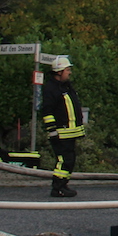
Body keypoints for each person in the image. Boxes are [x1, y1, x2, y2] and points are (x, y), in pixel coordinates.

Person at [40, 56, 85, 198]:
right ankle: (57, 187)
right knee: (63, 160)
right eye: (67, 69)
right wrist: (52, 130)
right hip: (61, 133)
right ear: (59, 72)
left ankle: (63, 185)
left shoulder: (65, 87)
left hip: (70, 133)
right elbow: (47, 110)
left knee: (69, 160)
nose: (69, 72)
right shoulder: (51, 89)